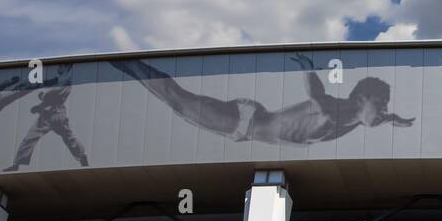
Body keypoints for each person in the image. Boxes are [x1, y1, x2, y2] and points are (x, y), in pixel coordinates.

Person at [112, 53, 414, 144]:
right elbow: (318, 94)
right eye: (381, 103)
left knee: (177, 100)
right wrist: (309, 70)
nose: (385, 110)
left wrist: (393, 118)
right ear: (362, 98)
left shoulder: (357, 119)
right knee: (176, 98)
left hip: (249, 126)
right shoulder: (340, 109)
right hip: (244, 121)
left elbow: (377, 120)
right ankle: (123, 64)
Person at [3, 66, 89, 171]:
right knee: (30, 138)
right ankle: (16, 165)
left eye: (62, 66)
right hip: (47, 114)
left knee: (69, 138)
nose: (59, 67)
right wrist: (39, 106)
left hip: (57, 113)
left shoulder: (66, 79)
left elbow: (51, 95)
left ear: (67, 67)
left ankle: (82, 157)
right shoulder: (59, 79)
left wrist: (41, 97)